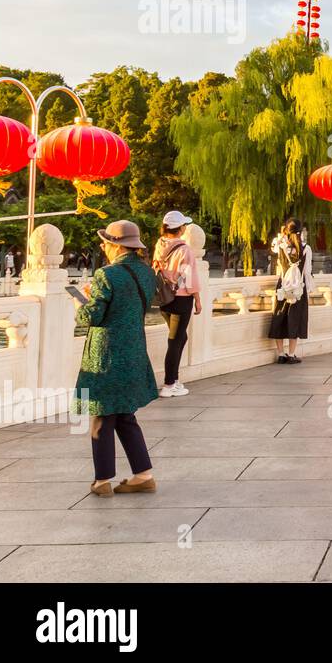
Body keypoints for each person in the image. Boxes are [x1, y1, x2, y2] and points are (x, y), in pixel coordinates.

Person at [73, 220, 160, 496]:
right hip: (134, 349)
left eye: (104, 243)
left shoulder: (106, 275)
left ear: (115, 245)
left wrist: (81, 303)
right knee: (125, 413)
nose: (102, 247)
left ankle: (102, 481)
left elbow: (93, 316)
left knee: (101, 414)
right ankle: (143, 474)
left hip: (106, 351)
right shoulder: (147, 273)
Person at [152, 210, 201, 397]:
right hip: (181, 298)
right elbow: (188, 278)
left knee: (180, 338)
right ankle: (169, 384)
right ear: (180, 229)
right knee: (174, 341)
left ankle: (175, 380)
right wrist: (197, 299)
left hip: (164, 298)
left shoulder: (159, 245)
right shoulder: (185, 250)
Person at [269, 217, 313, 364]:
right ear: (301, 231)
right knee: (295, 318)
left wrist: (282, 235)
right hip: (298, 288)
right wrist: (310, 289)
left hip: (283, 286)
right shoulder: (306, 248)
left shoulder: (280, 246)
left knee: (279, 317)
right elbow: (307, 272)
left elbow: (274, 245)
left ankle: (281, 354)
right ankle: (291, 354)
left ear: (286, 230)